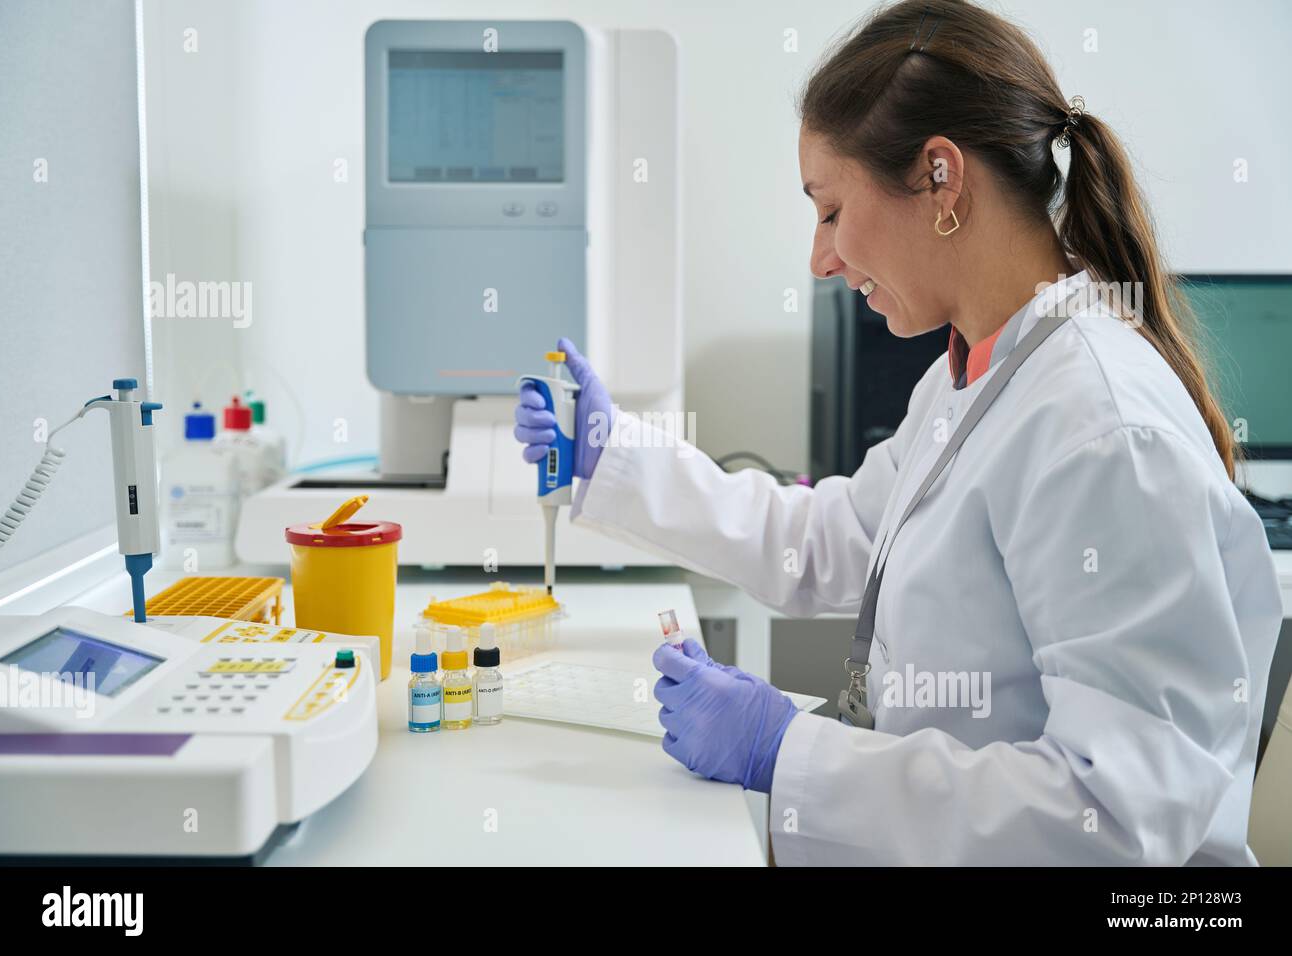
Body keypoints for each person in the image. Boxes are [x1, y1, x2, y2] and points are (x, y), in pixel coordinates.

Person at [513, 0, 1282, 865]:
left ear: (940, 180)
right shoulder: (979, 374)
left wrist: (789, 751)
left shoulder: (1099, 427)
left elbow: (1113, 818)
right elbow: (827, 538)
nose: (820, 258)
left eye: (832, 210)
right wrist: (617, 459)